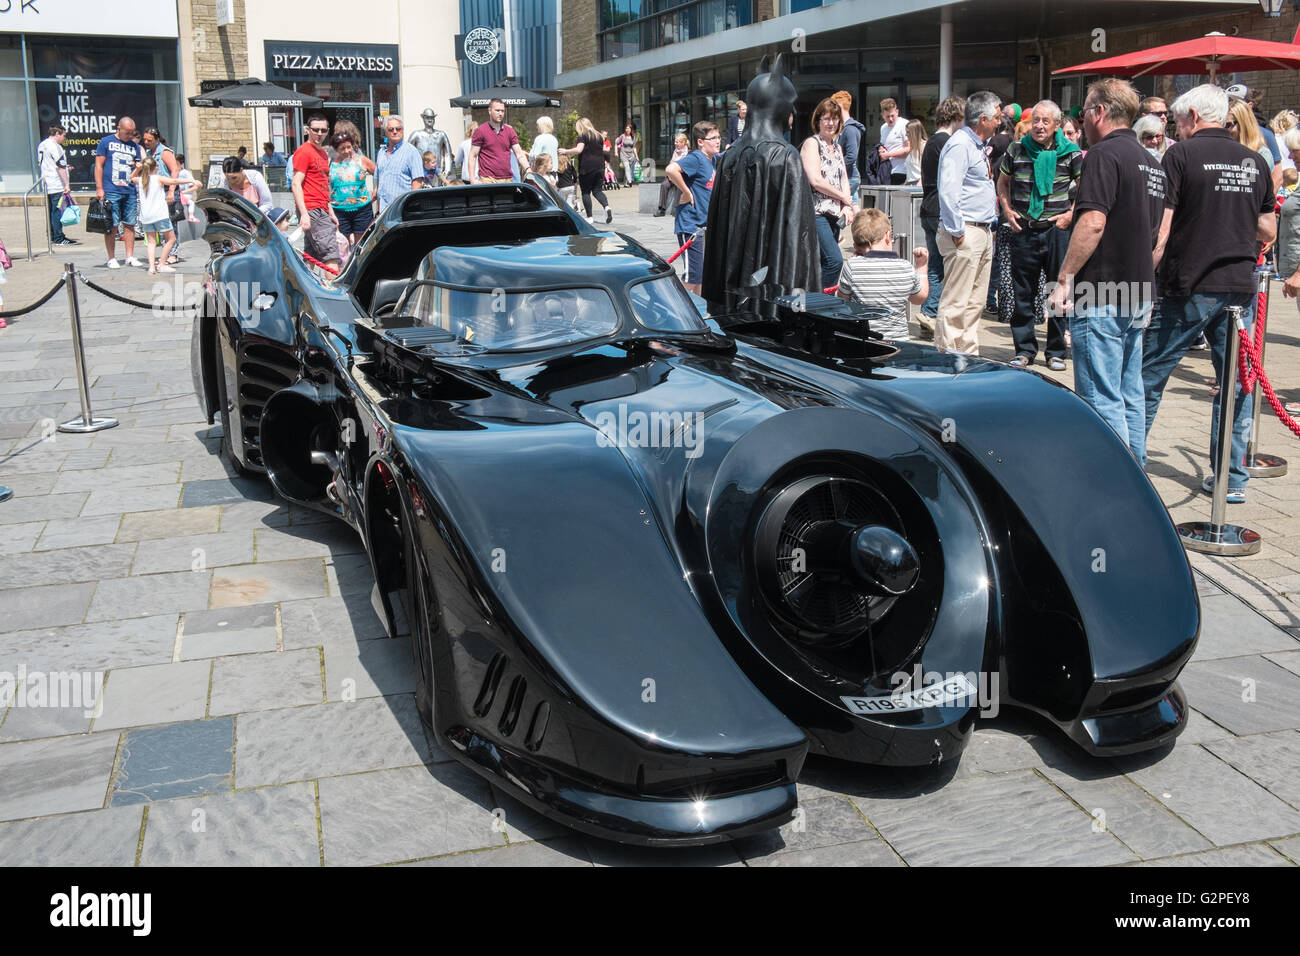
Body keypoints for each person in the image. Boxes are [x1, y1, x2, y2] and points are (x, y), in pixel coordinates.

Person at [1141, 84, 1275, 503]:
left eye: (1178, 121)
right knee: (1235, 383)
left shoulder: (1180, 156)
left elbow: (1162, 227)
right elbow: (1269, 230)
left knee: (1148, 377)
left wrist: (1147, 273)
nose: (1175, 130)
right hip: (1239, 286)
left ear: (1194, 117)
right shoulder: (1255, 162)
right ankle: (1230, 479)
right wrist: (1234, 216)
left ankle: (1128, 463)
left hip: (1189, 284)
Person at [1046, 78, 1165, 461]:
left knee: (1100, 397)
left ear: (1099, 112)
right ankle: (1137, 470)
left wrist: (1063, 280)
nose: (1080, 122)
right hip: (1138, 288)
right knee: (1129, 392)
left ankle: (1114, 481)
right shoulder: (1151, 162)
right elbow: (1152, 231)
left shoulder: (1101, 155)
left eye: (1083, 112)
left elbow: (1094, 222)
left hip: (1102, 290)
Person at [997, 99, 1082, 371]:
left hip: (1057, 231)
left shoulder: (1071, 152)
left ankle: (1056, 351)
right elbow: (1002, 182)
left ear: (1057, 125)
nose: (1040, 126)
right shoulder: (1016, 148)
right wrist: (1007, 209)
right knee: (1023, 292)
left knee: (1057, 290)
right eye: (1036, 120)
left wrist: (1071, 213)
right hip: (1025, 229)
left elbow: (1085, 187)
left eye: (1046, 121)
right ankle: (1024, 350)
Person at [935, 91, 1001, 354]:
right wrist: (958, 232)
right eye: (996, 116)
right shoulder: (960, 144)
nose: (1000, 121)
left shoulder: (974, 145)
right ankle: (948, 355)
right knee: (957, 300)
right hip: (967, 231)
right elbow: (948, 191)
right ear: (983, 119)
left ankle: (967, 353)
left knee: (975, 301)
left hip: (982, 230)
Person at [837, 207, 929, 342]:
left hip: (864, 342)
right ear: (887, 236)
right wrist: (921, 267)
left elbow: (843, 299)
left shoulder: (852, 266)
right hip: (897, 343)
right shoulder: (905, 267)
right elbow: (919, 298)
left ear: (855, 246)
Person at [918, 96, 965, 340]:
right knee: (943, 266)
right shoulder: (947, 142)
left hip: (927, 207)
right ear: (956, 117)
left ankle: (930, 311)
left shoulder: (932, 142)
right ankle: (931, 311)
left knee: (936, 264)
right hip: (938, 210)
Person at [802, 98, 857, 292]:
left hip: (834, 215)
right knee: (834, 261)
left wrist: (847, 206)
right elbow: (815, 180)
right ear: (818, 120)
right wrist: (843, 197)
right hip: (816, 213)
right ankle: (819, 304)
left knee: (821, 262)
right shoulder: (812, 143)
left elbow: (844, 179)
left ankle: (815, 306)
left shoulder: (837, 146)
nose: (831, 123)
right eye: (826, 118)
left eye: (835, 119)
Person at [665, 120, 720, 295]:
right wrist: (686, 192)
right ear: (701, 142)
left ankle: (699, 311)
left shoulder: (713, 160)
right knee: (693, 275)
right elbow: (671, 169)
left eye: (719, 137)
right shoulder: (696, 158)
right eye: (712, 138)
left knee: (701, 276)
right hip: (691, 227)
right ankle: (676, 306)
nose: (717, 141)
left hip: (703, 226)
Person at [94, 115, 146, 268]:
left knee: (130, 224)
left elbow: (138, 168)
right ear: (119, 128)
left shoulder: (134, 146)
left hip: (129, 189)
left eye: (132, 132)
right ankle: (112, 257)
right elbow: (99, 165)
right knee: (112, 224)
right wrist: (99, 187)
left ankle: (129, 256)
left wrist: (139, 167)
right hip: (112, 189)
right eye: (127, 132)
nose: (130, 135)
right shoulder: (106, 142)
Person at [292, 112, 341, 273]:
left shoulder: (321, 153)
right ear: (307, 130)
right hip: (312, 209)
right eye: (315, 130)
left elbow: (322, 185)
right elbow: (296, 183)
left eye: (323, 130)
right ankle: (334, 293)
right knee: (331, 254)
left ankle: (306, 291)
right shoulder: (304, 151)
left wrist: (330, 212)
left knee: (310, 255)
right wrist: (304, 213)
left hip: (321, 208)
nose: (319, 134)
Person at [132, 157, 193, 274]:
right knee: (171, 239)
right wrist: (191, 181)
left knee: (151, 242)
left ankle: (151, 267)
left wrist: (137, 169)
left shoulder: (140, 180)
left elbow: (131, 178)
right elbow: (174, 181)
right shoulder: (157, 178)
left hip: (146, 217)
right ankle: (161, 264)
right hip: (160, 215)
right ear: (155, 168)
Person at [1227, 84, 1283, 192]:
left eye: (1235, 101)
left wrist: (1267, 204)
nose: (1229, 104)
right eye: (1228, 100)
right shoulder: (1224, 146)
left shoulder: (1264, 137)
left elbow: (1277, 175)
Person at [559, 117, 611, 224]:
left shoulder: (583, 136)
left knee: (586, 192)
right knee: (597, 191)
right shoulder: (599, 136)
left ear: (581, 126)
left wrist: (565, 151)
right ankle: (607, 207)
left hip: (587, 167)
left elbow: (579, 150)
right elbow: (603, 151)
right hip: (600, 166)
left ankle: (590, 217)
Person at [469, 99, 531, 185]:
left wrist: (528, 170)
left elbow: (519, 154)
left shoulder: (510, 131)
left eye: (502, 111)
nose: (500, 113)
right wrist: (472, 179)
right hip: (487, 179)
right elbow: (473, 155)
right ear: (490, 110)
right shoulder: (481, 131)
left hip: (507, 179)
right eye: (497, 110)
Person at [329, 131, 374, 245]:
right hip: (339, 210)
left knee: (362, 244)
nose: (347, 151)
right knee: (342, 245)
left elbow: (379, 173)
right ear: (336, 149)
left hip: (362, 210)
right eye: (342, 148)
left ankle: (359, 263)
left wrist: (376, 190)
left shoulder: (361, 160)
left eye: (349, 147)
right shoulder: (331, 163)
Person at [375, 114, 426, 212]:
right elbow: (378, 184)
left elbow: (417, 182)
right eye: (391, 129)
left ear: (402, 130)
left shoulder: (411, 152)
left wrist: (408, 207)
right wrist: (377, 211)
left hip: (401, 210)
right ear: (385, 132)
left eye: (398, 128)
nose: (395, 131)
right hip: (383, 210)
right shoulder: (381, 152)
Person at [37, 125, 77, 247]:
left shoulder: (43, 144)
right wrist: (67, 184)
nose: (65, 138)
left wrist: (65, 169)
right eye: (64, 135)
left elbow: (50, 164)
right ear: (56, 134)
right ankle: (58, 238)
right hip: (56, 183)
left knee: (52, 210)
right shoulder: (55, 146)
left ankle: (54, 235)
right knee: (57, 211)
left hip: (48, 181)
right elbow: (60, 166)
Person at [832, 90, 866, 198]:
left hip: (849, 176)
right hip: (849, 176)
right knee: (853, 206)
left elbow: (851, 156)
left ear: (840, 107)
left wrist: (834, 168)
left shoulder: (850, 129)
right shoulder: (845, 129)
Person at [655, 132, 690, 217]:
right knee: (664, 185)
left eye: (677, 142)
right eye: (675, 141)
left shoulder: (688, 153)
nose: (675, 144)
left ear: (683, 143)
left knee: (679, 187)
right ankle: (661, 209)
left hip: (681, 176)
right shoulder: (675, 152)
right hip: (671, 176)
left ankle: (677, 208)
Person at [877, 98, 909, 185]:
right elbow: (883, 145)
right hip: (887, 171)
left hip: (902, 171)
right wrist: (881, 149)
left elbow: (909, 149)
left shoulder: (904, 125)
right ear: (882, 115)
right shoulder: (883, 128)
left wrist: (888, 155)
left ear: (897, 112)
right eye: (887, 116)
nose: (890, 119)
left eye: (892, 116)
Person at [903, 118, 926, 186]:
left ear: (914, 132)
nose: (906, 135)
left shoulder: (924, 146)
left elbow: (927, 169)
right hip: (910, 184)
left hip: (919, 184)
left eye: (908, 132)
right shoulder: (913, 148)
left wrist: (920, 183)